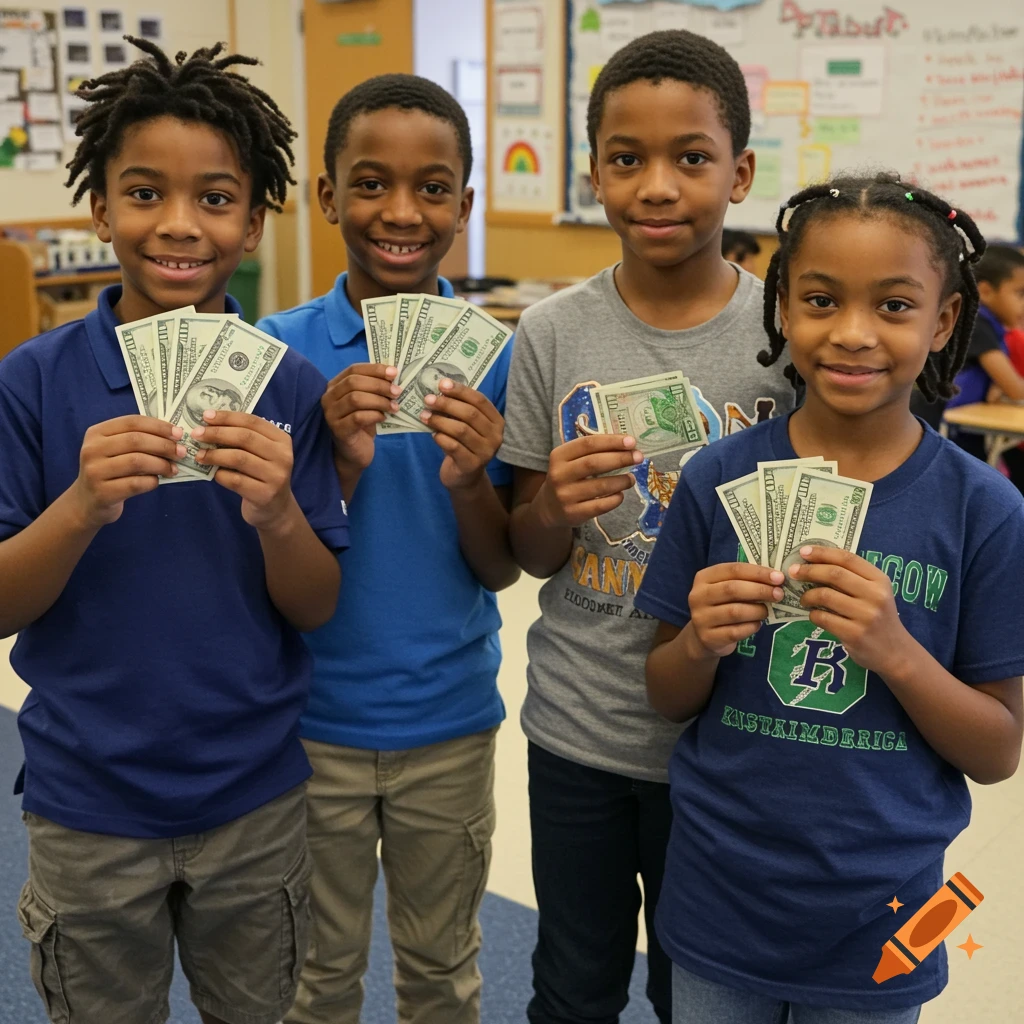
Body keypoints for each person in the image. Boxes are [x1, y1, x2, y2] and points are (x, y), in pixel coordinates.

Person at [0, 38, 349, 1024]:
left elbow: (317, 603)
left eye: (216, 198)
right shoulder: (32, 382)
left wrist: (279, 511)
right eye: (146, 193)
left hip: (256, 799)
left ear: (253, 220)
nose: (180, 225)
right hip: (87, 802)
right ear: (101, 207)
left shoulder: (287, 386)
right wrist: (78, 507)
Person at [637, 173, 1024, 1023]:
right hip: (719, 891)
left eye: (893, 306)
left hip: (883, 913)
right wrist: (699, 643)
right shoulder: (720, 478)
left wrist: (894, 648)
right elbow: (664, 695)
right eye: (820, 299)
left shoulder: (984, 511)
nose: (852, 334)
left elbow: (998, 751)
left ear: (945, 321)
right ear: (783, 308)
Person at [499, 29, 796, 1024]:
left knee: (698, 989)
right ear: (593, 175)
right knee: (571, 983)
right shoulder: (549, 332)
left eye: (692, 158)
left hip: (723, 746)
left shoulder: (783, 342)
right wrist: (553, 503)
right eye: (627, 159)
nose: (658, 186)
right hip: (576, 729)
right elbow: (527, 550)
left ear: (739, 172)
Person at [257, 74, 519, 1024]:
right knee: (313, 980)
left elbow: (500, 569)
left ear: (465, 205)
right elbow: (256, 561)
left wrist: (465, 483)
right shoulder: (274, 353)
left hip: (448, 722)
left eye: (433, 187)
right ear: (326, 198)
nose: (401, 212)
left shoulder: (497, 354)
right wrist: (339, 465)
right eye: (369, 184)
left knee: (442, 974)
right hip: (303, 724)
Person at [945, 245, 1024, 490]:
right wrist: (1007, 389)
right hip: (948, 431)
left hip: (967, 432)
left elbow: (998, 390)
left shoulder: (989, 326)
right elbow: (1016, 390)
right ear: (986, 292)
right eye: (1021, 294)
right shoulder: (977, 326)